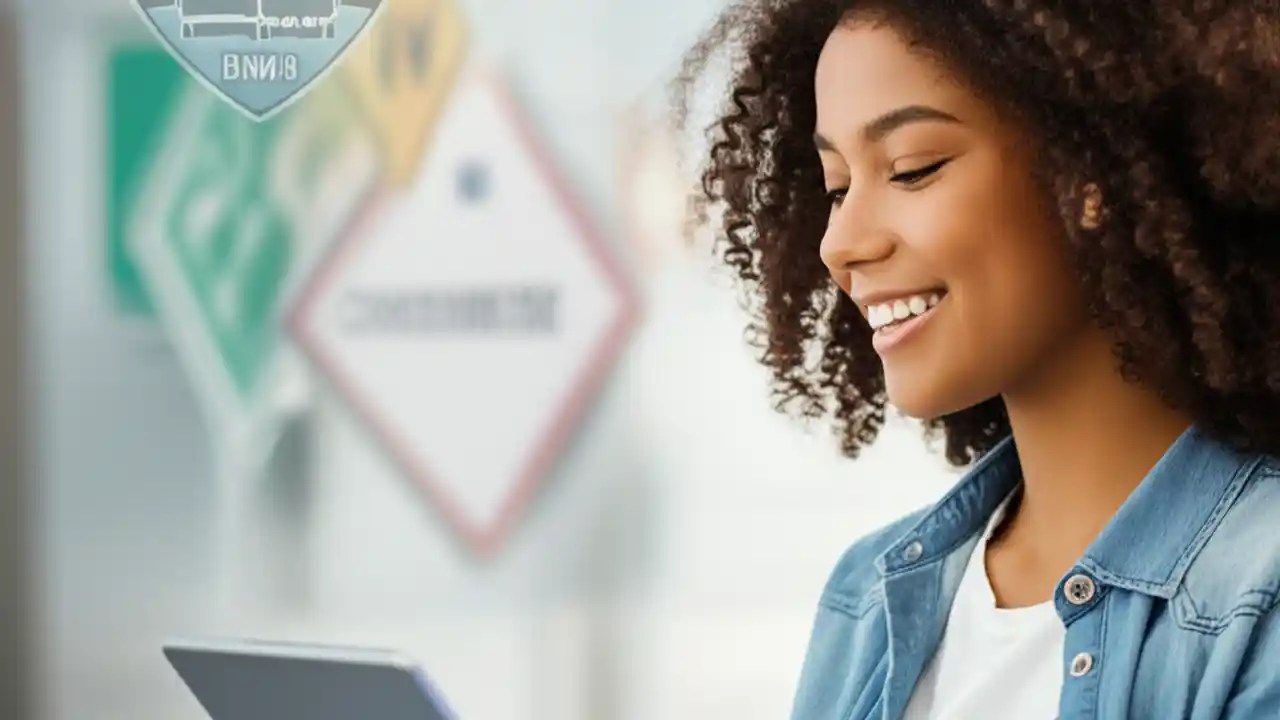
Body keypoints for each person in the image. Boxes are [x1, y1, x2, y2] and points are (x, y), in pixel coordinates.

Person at [673, 1, 1280, 718]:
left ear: (1089, 175)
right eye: (837, 186)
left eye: (911, 169)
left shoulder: (1257, 596)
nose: (841, 242)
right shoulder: (866, 598)